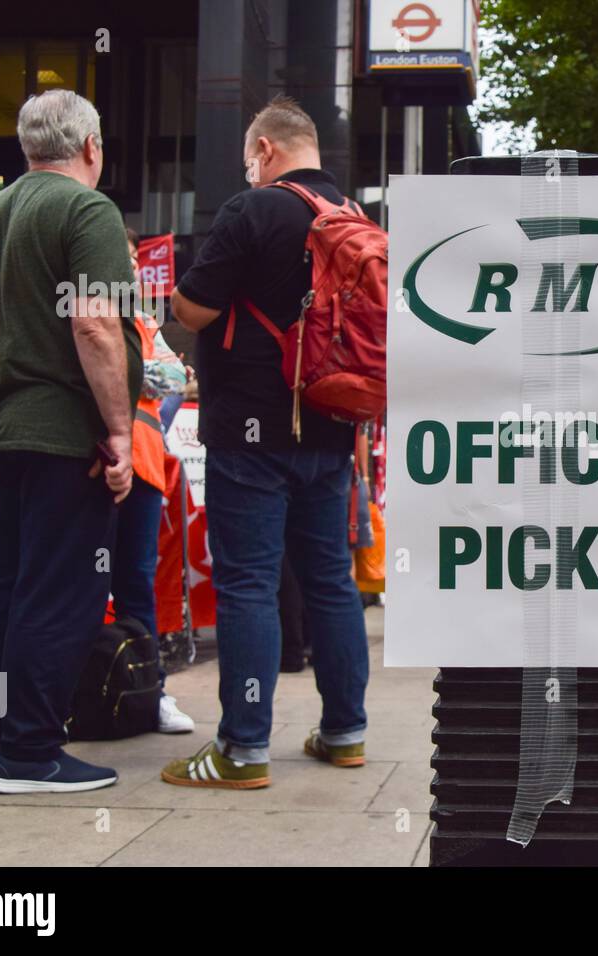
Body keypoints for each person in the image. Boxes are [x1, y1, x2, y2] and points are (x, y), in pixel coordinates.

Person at [165, 95, 369, 788]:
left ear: (268, 150)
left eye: (249, 156)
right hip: (333, 428)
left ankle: (243, 749)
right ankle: (345, 733)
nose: (247, 168)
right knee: (330, 583)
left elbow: (192, 307)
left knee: (249, 584)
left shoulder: (253, 210)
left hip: (251, 431)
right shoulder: (357, 218)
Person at [0, 89, 137, 793]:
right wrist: (120, 430)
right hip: (64, 433)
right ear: (90, 147)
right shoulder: (86, 210)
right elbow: (95, 324)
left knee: (6, 587)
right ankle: (30, 753)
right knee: (59, 592)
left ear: (28, 148)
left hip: (2, 429)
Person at [109, 228, 194, 733]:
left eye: (135, 259)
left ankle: (148, 690)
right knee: (77, 582)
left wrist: (127, 368)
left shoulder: (141, 320)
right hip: (85, 463)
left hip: (140, 466)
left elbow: (174, 379)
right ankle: (74, 692)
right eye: (125, 259)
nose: (134, 268)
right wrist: (139, 372)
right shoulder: (78, 311)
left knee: (135, 580)